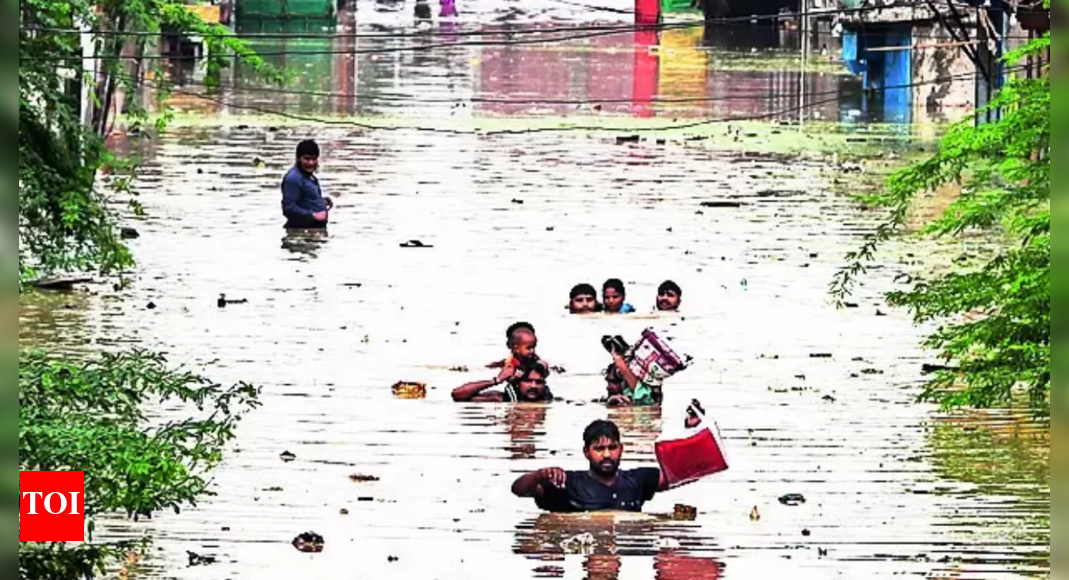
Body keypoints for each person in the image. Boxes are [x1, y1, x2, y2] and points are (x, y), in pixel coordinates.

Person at [511, 420, 667, 513]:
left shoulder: (638, 480)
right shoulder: (566, 483)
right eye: (599, 449)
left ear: (621, 449)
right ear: (586, 452)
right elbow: (519, 490)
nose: (606, 455)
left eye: (612, 448)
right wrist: (538, 475)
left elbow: (678, 476)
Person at [281, 140, 332, 229]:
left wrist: (321, 202)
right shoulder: (293, 179)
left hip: (313, 229)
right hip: (300, 232)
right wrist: (313, 215)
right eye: (307, 159)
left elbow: (303, 199)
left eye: (314, 159)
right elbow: (288, 209)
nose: (311, 163)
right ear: (298, 158)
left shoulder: (309, 176)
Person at [452, 361, 554, 403]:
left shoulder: (549, 400)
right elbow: (457, 395)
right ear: (518, 383)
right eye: (528, 381)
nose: (533, 386)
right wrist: (496, 381)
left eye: (538, 382)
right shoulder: (501, 398)